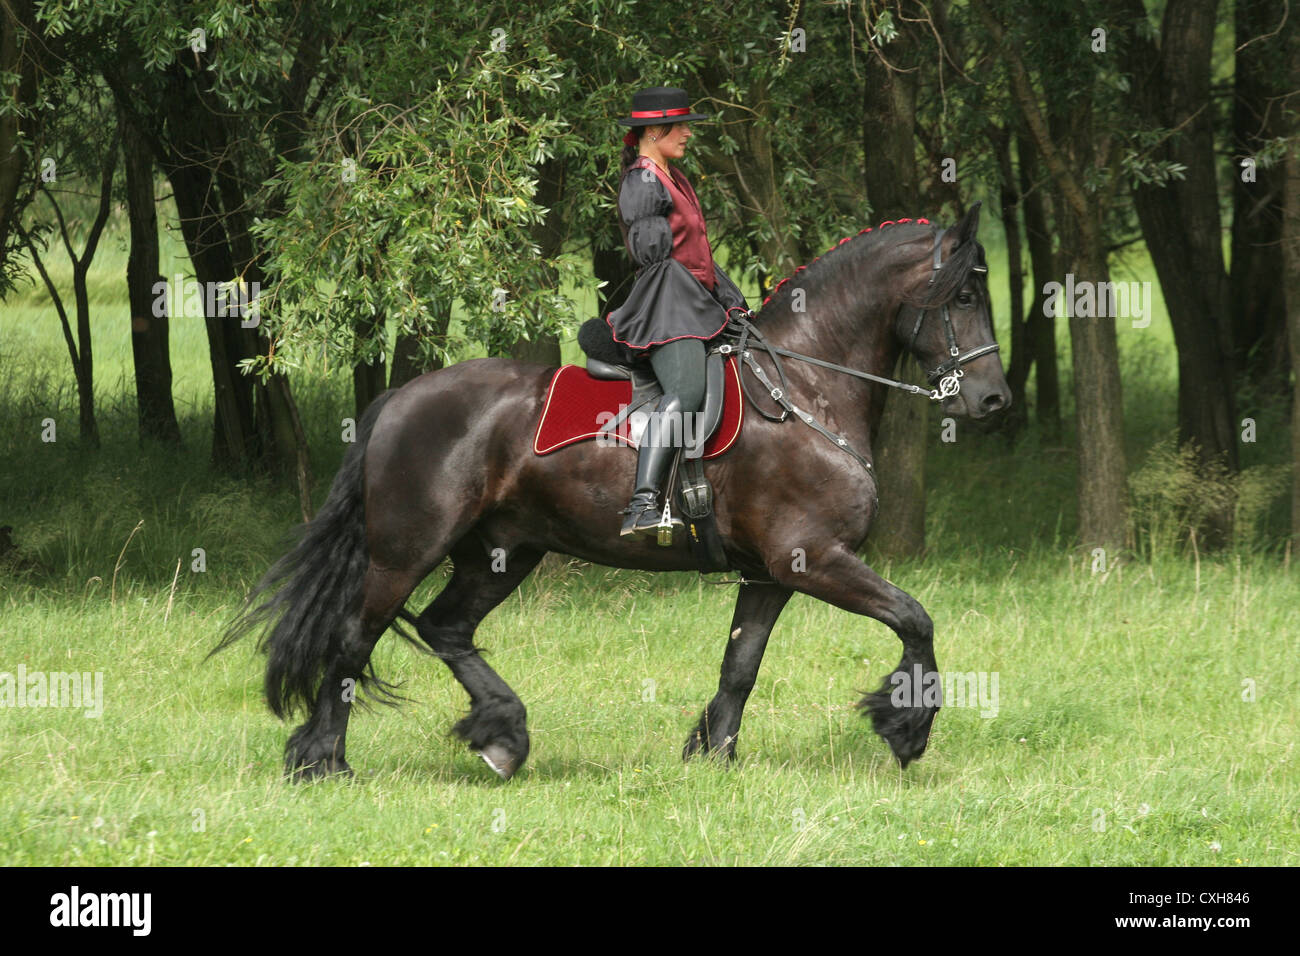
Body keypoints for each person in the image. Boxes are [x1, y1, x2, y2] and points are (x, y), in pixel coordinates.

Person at [607, 86, 749, 538]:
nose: (688, 132)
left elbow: (698, 254)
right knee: (685, 393)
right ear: (653, 130)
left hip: (689, 299)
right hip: (667, 306)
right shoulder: (643, 180)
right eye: (681, 124)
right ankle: (643, 504)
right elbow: (653, 256)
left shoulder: (674, 176)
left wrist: (729, 299)